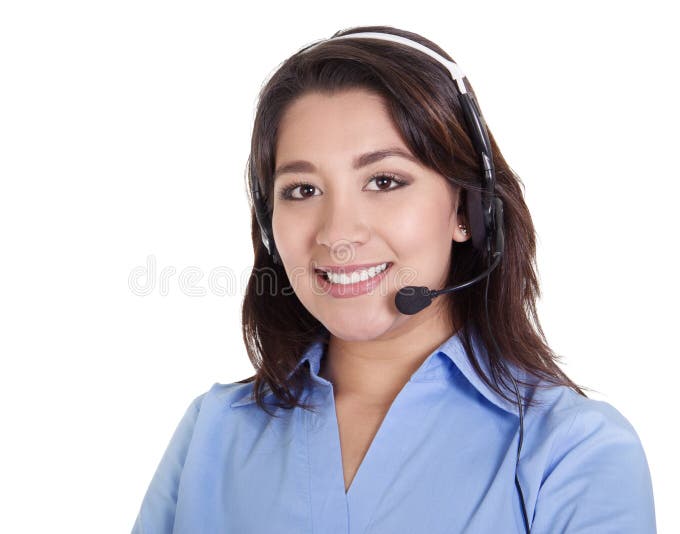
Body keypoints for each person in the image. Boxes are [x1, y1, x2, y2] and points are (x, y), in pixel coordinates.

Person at [131, 26, 657, 533]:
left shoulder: (572, 451)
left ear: (468, 211)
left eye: (383, 181)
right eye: (302, 190)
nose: (337, 233)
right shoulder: (213, 431)